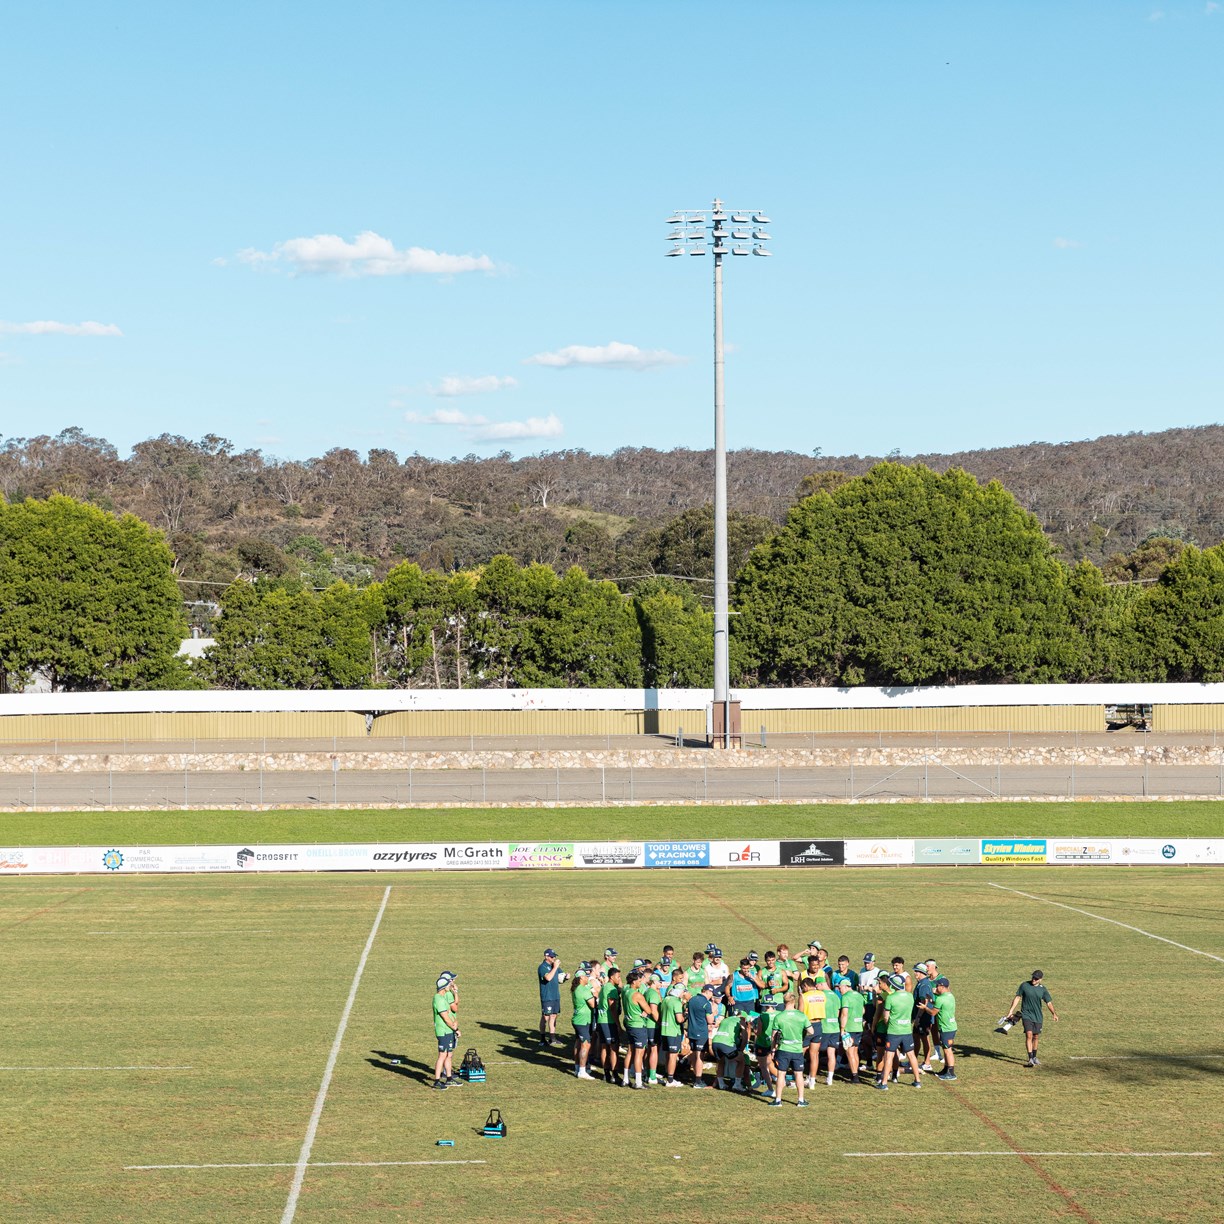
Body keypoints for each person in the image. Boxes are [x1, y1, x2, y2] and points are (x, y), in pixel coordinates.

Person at [876, 972, 923, 1090]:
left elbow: (886, 1016)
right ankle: (917, 1081)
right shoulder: (909, 996)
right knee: (911, 1055)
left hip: (893, 1031)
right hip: (906, 1030)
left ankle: (884, 1083)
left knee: (889, 1056)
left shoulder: (891, 998)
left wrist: (889, 1024)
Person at [1007, 970, 1059, 1067]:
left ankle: (1034, 1057)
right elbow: (1017, 997)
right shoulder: (1024, 985)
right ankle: (1030, 1058)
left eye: (1036, 978)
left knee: (1036, 1036)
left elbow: (1048, 1002)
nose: (1033, 979)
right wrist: (1011, 1010)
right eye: (1033, 977)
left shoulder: (1042, 989)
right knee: (1029, 1035)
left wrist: (1054, 1014)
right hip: (1026, 1015)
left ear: (1040, 979)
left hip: (1038, 1016)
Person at [770, 993, 813, 1107]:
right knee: (799, 1075)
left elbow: (773, 1036)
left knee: (781, 1075)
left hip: (783, 1049)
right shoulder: (801, 1016)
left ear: (784, 1002)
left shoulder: (779, 1017)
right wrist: (802, 1036)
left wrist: (773, 1050)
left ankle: (778, 1100)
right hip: (797, 1049)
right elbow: (811, 1031)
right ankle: (801, 1100)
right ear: (794, 1002)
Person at [620, 970, 651, 1089]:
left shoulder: (625, 990)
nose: (640, 982)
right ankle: (638, 1082)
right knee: (639, 1053)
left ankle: (625, 1078)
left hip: (628, 1023)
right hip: (638, 1025)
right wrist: (644, 1011)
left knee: (630, 1051)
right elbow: (648, 1010)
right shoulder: (637, 995)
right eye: (639, 981)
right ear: (634, 982)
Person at [835, 977, 865, 1084]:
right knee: (855, 1051)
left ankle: (855, 1077)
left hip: (850, 1028)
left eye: (840, 987)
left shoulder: (845, 997)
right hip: (858, 1027)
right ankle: (855, 1074)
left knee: (849, 1052)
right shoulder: (860, 996)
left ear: (846, 986)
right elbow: (863, 1010)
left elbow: (844, 1014)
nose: (839, 990)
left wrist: (842, 1029)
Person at [927, 976, 958, 1081]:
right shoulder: (950, 996)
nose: (935, 987)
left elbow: (933, 1012)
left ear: (942, 986)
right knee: (946, 1049)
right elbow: (941, 1002)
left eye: (937, 985)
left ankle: (951, 1072)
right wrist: (933, 997)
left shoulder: (940, 999)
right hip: (951, 1026)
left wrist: (925, 1007)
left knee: (948, 1050)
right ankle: (946, 1069)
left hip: (946, 1028)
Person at [595, 965, 622, 1083]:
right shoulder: (612, 989)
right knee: (614, 1048)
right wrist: (618, 1024)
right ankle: (615, 1074)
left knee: (604, 1047)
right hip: (609, 1022)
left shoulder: (605, 987)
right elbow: (612, 1008)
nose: (619, 979)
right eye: (618, 976)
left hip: (601, 1020)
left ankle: (606, 1073)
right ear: (611, 977)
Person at [432, 972, 459, 1090]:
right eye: (448, 984)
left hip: (448, 1030)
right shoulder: (438, 999)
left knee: (448, 1055)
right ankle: (437, 1081)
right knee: (442, 1055)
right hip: (443, 1031)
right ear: (443, 987)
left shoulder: (442, 997)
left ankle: (449, 1078)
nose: (450, 985)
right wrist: (456, 1028)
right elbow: (445, 1017)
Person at [570, 963, 596, 1080]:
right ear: (581, 978)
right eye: (585, 976)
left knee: (578, 1043)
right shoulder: (582, 990)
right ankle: (582, 1070)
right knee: (586, 1044)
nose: (587, 978)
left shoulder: (577, 989)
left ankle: (577, 1067)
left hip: (578, 1020)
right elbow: (593, 1004)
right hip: (583, 1021)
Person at [686, 984, 715, 1087]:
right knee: (700, 1056)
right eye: (712, 993)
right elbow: (710, 1020)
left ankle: (696, 1076)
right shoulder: (706, 1004)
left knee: (694, 1054)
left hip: (691, 1031)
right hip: (701, 1032)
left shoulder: (692, 999)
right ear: (708, 992)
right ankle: (698, 1081)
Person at [711, 1009, 748, 1092]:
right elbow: (745, 1039)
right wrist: (741, 1050)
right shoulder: (741, 1021)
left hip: (715, 1042)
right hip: (726, 1044)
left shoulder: (726, 1019)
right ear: (744, 1018)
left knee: (720, 1061)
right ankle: (737, 1084)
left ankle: (721, 1084)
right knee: (741, 1060)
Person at [659, 980, 687, 1086]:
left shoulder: (666, 999)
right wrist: (686, 1016)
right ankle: (670, 1080)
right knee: (673, 1055)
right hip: (673, 1031)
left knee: (668, 1054)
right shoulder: (676, 1002)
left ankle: (667, 1074)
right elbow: (679, 1019)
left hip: (664, 1030)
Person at [912, 962, 936, 1072]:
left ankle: (927, 1063)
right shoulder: (921, 983)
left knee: (924, 1039)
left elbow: (923, 1002)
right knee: (916, 1037)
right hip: (920, 1016)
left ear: (921, 972)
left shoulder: (924, 985)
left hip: (923, 1018)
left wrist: (917, 1018)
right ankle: (914, 1060)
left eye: (916, 971)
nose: (915, 973)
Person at [538, 949, 563, 1047]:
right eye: (552, 957)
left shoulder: (554, 967)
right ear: (546, 956)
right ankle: (542, 1039)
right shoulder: (542, 967)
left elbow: (560, 978)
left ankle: (552, 1038)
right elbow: (548, 978)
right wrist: (555, 967)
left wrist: (565, 977)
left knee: (554, 1016)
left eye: (555, 956)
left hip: (555, 995)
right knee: (545, 1017)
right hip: (547, 996)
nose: (554, 958)